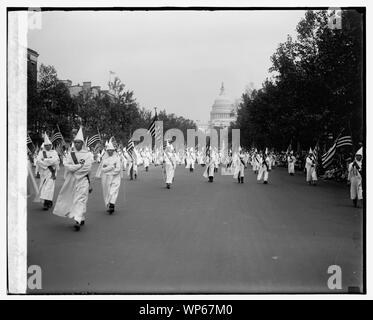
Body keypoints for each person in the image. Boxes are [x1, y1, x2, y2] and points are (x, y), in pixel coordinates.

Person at [53, 127, 93, 231]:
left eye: (79, 142)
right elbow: (67, 165)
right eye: (75, 142)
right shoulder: (71, 154)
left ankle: (77, 220)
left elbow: (87, 169)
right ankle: (81, 216)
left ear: (82, 143)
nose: (77, 144)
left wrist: (75, 169)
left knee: (80, 199)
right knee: (75, 199)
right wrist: (78, 166)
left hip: (83, 180)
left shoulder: (88, 155)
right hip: (72, 181)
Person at [96, 139, 122, 214]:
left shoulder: (117, 159)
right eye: (109, 150)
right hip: (107, 179)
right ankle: (110, 204)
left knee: (113, 192)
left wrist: (110, 170)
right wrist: (111, 167)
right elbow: (103, 169)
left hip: (115, 178)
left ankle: (112, 205)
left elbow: (118, 169)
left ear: (113, 151)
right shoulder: (105, 160)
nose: (110, 151)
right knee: (108, 192)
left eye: (111, 150)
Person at [34, 133, 60, 210]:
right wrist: (49, 162)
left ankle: (47, 203)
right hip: (44, 173)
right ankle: (48, 201)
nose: (48, 146)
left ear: (51, 145)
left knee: (49, 188)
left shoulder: (54, 152)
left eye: (49, 145)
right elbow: (38, 161)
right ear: (44, 146)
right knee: (44, 188)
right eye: (46, 145)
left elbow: (56, 161)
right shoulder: (41, 153)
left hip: (52, 173)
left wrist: (45, 160)